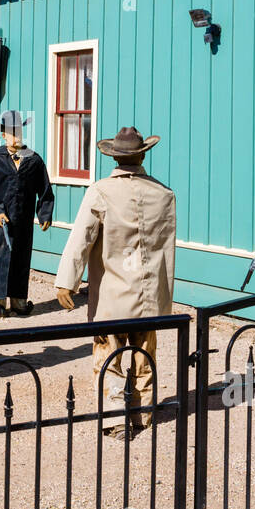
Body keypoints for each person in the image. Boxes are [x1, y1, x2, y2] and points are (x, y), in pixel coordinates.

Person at [54, 127, 176, 440]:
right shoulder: (164, 194)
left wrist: (66, 280)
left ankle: (114, 417)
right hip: (151, 293)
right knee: (143, 350)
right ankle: (141, 412)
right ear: (143, 154)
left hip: (113, 290)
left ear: (114, 157)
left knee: (109, 352)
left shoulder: (101, 191)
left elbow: (81, 237)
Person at [0, 110, 54, 317]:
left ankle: (18, 301)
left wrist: (45, 214)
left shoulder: (34, 160)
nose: (16, 137)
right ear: (3, 135)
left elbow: (45, 190)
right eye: (11, 133)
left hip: (22, 219)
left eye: (19, 132)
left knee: (21, 258)